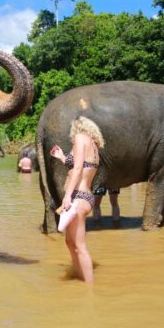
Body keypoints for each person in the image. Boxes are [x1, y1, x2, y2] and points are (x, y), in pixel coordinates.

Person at [50, 116, 105, 283]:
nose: (71, 135)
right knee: (69, 241)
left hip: (78, 197)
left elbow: (79, 168)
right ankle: (78, 275)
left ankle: (89, 289)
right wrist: (62, 157)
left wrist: (67, 195)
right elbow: (79, 165)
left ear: (78, 128)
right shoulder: (93, 146)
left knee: (80, 246)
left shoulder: (81, 138)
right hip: (86, 197)